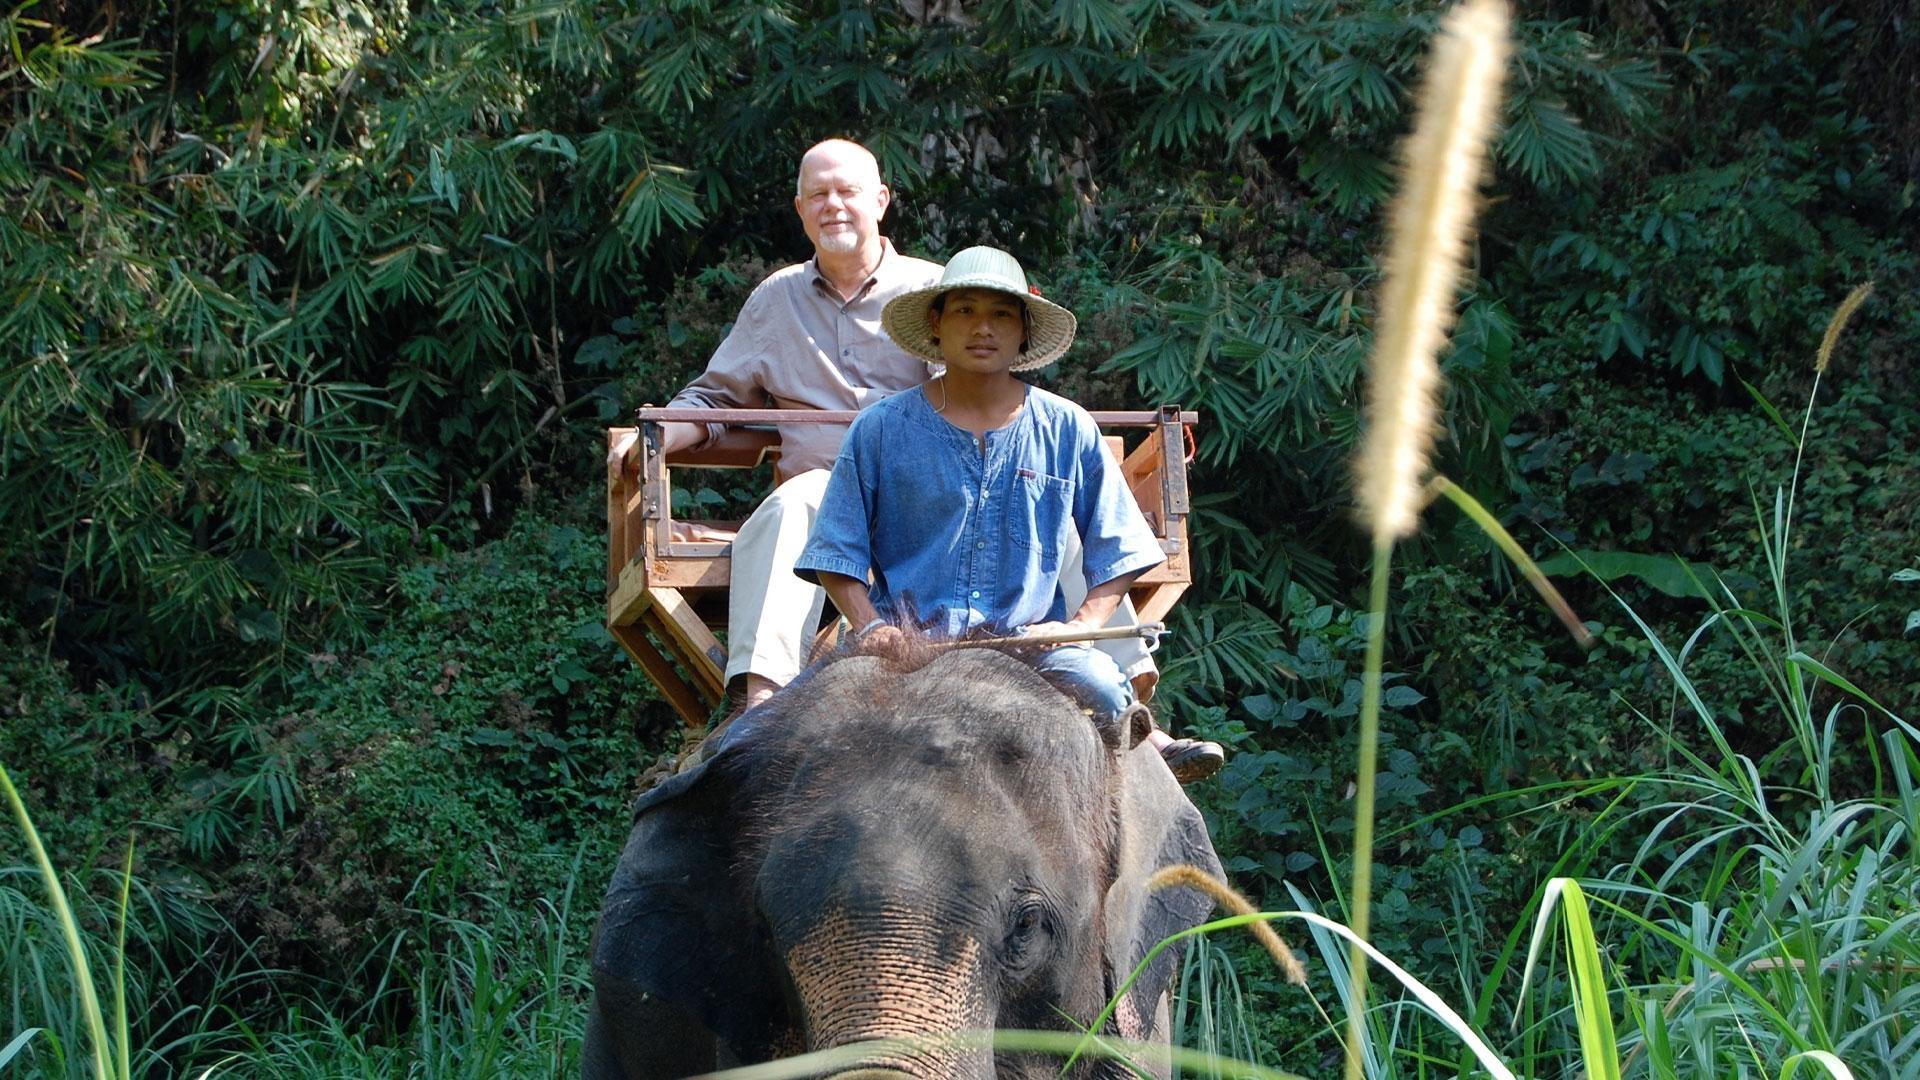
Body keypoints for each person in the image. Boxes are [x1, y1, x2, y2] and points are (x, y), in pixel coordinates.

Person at [793, 246, 1225, 783]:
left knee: (1106, 695)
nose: (983, 328)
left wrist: (1078, 628)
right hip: (905, 650)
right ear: (936, 324)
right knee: (781, 736)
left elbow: (1122, 547)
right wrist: (872, 625)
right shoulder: (879, 429)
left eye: (1001, 313)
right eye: (965, 311)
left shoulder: (1068, 428)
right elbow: (836, 549)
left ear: (1023, 331)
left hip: (1033, 649)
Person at [643, 138, 942, 711]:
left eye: (847, 191)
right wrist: (652, 440)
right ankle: (761, 702)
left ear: (880, 200)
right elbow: (713, 399)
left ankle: (1128, 699)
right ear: (800, 208)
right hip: (825, 494)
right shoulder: (775, 299)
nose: (833, 205)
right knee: (789, 507)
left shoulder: (935, 289)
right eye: (818, 194)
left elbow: (971, 397)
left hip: (922, 492)